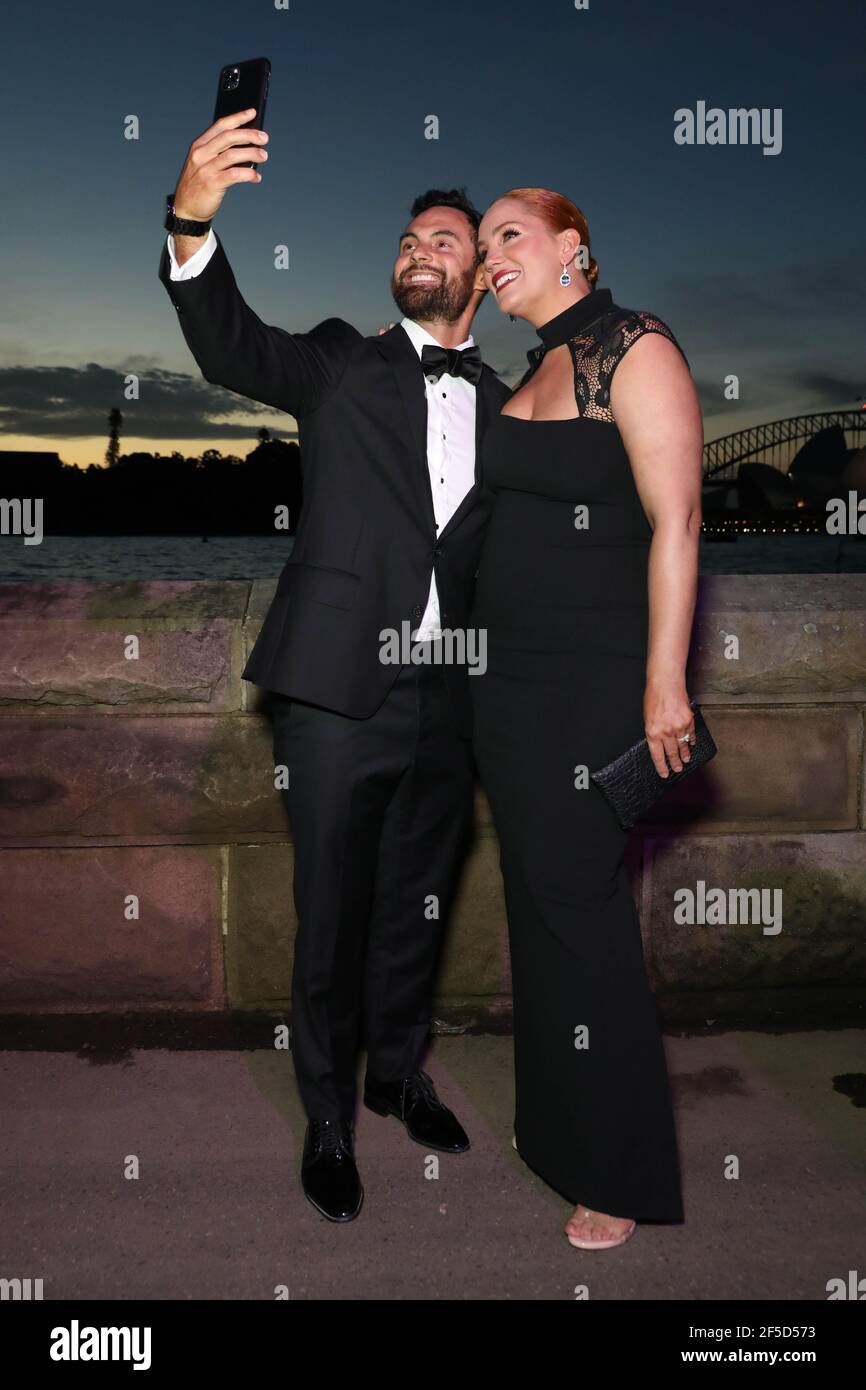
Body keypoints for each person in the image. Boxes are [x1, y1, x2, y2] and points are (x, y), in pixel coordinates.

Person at [158, 107, 510, 1222]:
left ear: (484, 280)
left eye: (444, 242)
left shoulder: (512, 407)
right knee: (332, 911)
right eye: (409, 240)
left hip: (452, 695)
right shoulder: (336, 364)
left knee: (414, 904)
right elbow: (228, 342)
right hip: (332, 694)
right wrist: (191, 220)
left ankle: (398, 1075)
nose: (419, 251)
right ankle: (325, 1118)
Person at [471, 187, 703, 1250]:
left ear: (575, 247)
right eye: (480, 245)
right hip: (507, 685)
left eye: (507, 235)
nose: (488, 254)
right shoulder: (531, 367)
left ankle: (616, 1170)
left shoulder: (632, 344)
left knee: (582, 919)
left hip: (592, 682)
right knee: (541, 914)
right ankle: (561, 1140)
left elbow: (677, 519)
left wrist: (663, 683)